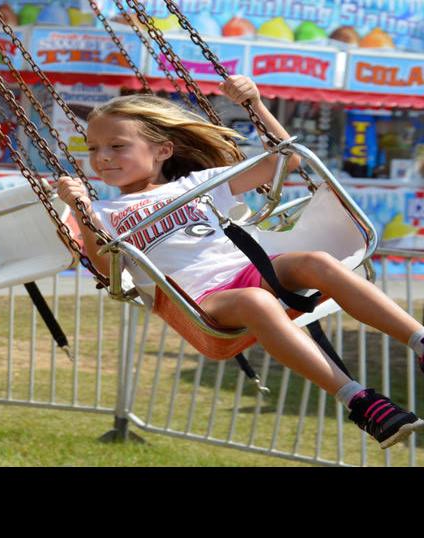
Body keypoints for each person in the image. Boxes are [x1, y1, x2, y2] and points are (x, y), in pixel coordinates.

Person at [57, 75, 424, 450]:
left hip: (250, 270)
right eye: (94, 148)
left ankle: (420, 340)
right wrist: (82, 210)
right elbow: (107, 272)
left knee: (316, 261)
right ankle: (358, 400)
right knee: (256, 301)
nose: (102, 157)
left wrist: (257, 105)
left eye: (117, 146)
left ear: (163, 150)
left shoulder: (198, 183)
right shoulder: (101, 212)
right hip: (201, 300)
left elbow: (286, 160)